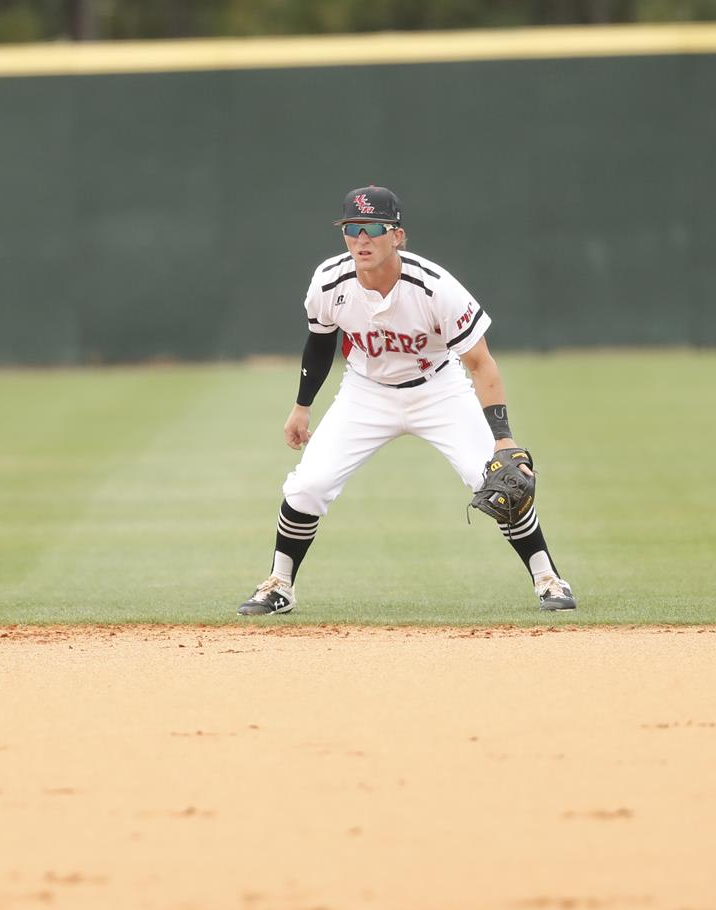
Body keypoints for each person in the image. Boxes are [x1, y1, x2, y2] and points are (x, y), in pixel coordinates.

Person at [236, 185, 578, 616]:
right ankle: (278, 585)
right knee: (309, 485)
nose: (362, 239)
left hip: (438, 389)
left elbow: (481, 363)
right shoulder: (329, 281)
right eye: (352, 228)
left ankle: (549, 579)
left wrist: (503, 439)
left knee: (497, 481)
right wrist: (302, 406)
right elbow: (320, 342)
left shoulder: (434, 288)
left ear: (397, 235)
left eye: (373, 227)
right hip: (365, 392)